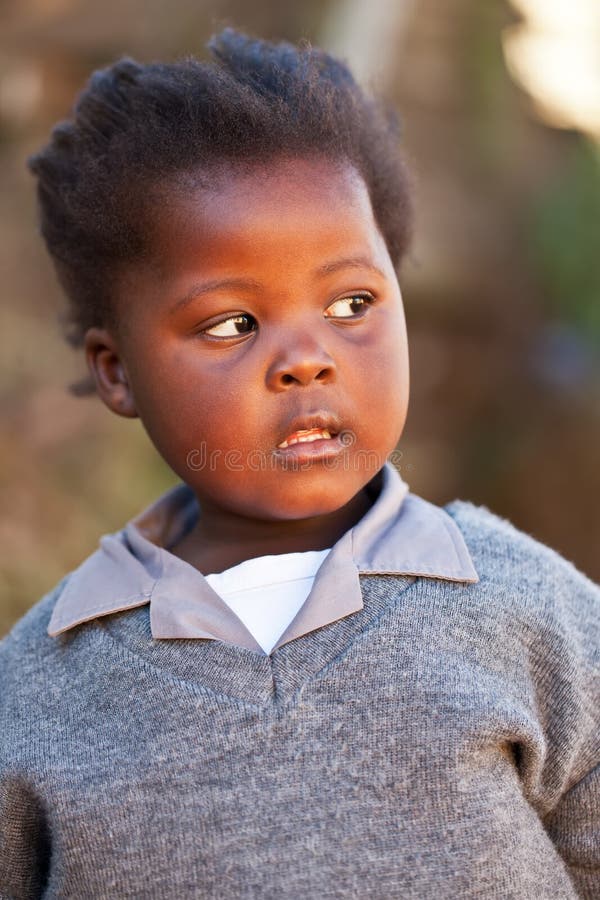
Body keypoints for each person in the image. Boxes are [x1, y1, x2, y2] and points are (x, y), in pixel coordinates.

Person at [0, 28, 598, 899]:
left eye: (352, 302)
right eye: (233, 323)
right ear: (117, 372)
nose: (307, 361)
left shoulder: (524, 607)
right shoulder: (41, 683)